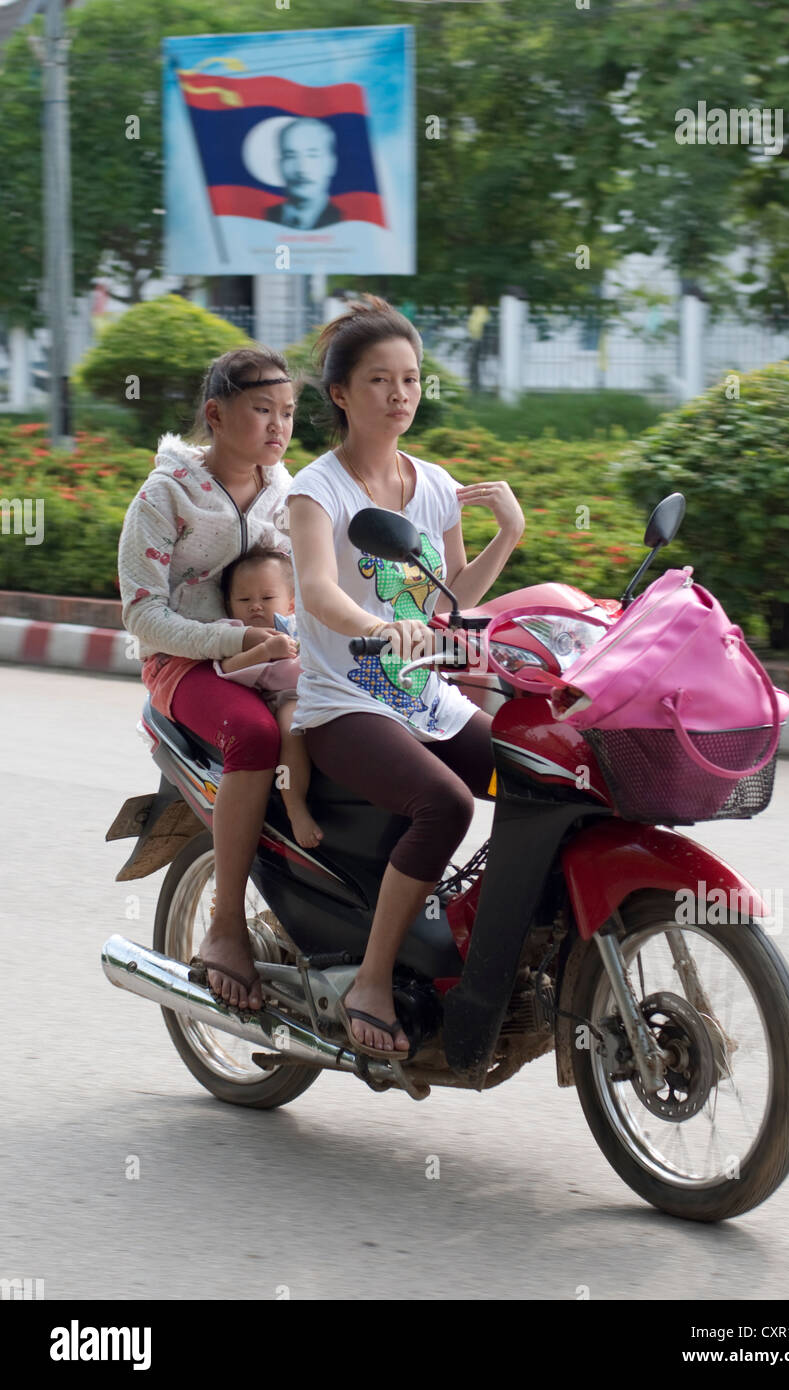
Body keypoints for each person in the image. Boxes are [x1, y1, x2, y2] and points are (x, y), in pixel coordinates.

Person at [287, 294, 525, 1058]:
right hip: (342, 702)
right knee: (445, 804)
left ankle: (496, 941)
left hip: (426, 697)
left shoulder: (432, 482)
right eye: (382, 381)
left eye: (412, 380)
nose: (400, 396)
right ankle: (374, 978)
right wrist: (379, 626)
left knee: (547, 776)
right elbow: (318, 592)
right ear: (340, 393)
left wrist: (511, 534)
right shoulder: (314, 490)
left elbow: (453, 596)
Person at [117, 346, 297, 1012]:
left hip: (277, 655)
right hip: (184, 666)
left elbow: (316, 578)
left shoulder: (286, 491)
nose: (277, 427)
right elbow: (142, 613)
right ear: (215, 415)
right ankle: (225, 925)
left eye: (287, 412)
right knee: (254, 734)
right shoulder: (165, 495)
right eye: (261, 411)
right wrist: (232, 640)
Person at [213, 545, 322, 849]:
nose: (256, 607)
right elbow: (226, 667)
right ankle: (294, 806)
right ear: (229, 604)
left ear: (291, 601)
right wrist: (263, 651)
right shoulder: (235, 631)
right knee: (291, 726)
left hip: (324, 692)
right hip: (284, 699)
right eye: (244, 599)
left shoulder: (304, 622)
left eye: (267, 598)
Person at [264, 118, 343, 229]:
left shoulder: (346, 221)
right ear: (279, 165)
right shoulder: (264, 219)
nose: (301, 169)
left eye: (312, 155)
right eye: (290, 156)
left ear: (331, 164)